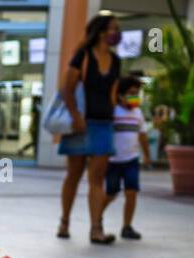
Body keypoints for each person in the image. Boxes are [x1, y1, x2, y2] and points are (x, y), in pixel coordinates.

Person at [57, 13, 122, 245]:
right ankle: (64, 221)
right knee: (73, 175)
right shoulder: (82, 56)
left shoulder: (116, 61)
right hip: (81, 124)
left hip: (103, 124)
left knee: (97, 179)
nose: (117, 33)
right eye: (113, 28)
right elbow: (67, 88)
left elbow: (113, 92)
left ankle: (96, 229)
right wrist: (75, 116)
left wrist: (116, 115)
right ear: (101, 31)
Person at [103, 75, 152, 240]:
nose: (135, 96)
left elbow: (143, 135)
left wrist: (147, 156)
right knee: (111, 193)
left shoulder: (138, 113)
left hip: (131, 159)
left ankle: (127, 226)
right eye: (132, 93)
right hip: (112, 161)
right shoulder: (113, 111)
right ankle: (97, 218)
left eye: (137, 93)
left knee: (132, 192)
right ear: (121, 95)